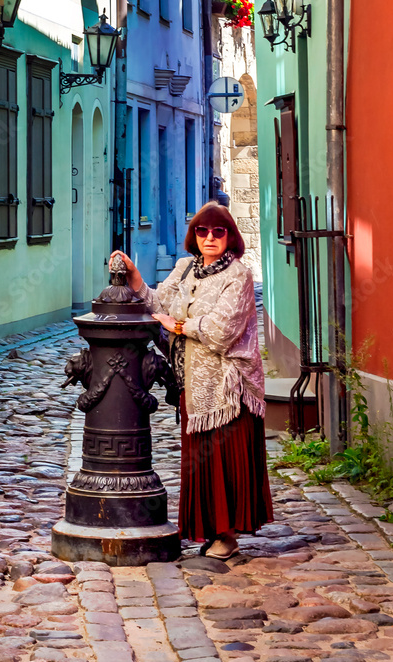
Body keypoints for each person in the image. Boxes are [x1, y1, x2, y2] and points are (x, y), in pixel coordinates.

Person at [110, 200, 273, 558]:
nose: (210, 237)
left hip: (228, 386)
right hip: (191, 383)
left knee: (223, 458)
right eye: (203, 231)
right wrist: (135, 277)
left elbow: (223, 330)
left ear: (230, 237)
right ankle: (206, 531)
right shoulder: (184, 269)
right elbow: (157, 302)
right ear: (193, 236)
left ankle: (227, 536)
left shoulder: (238, 276)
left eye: (219, 231)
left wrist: (180, 326)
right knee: (198, 458)